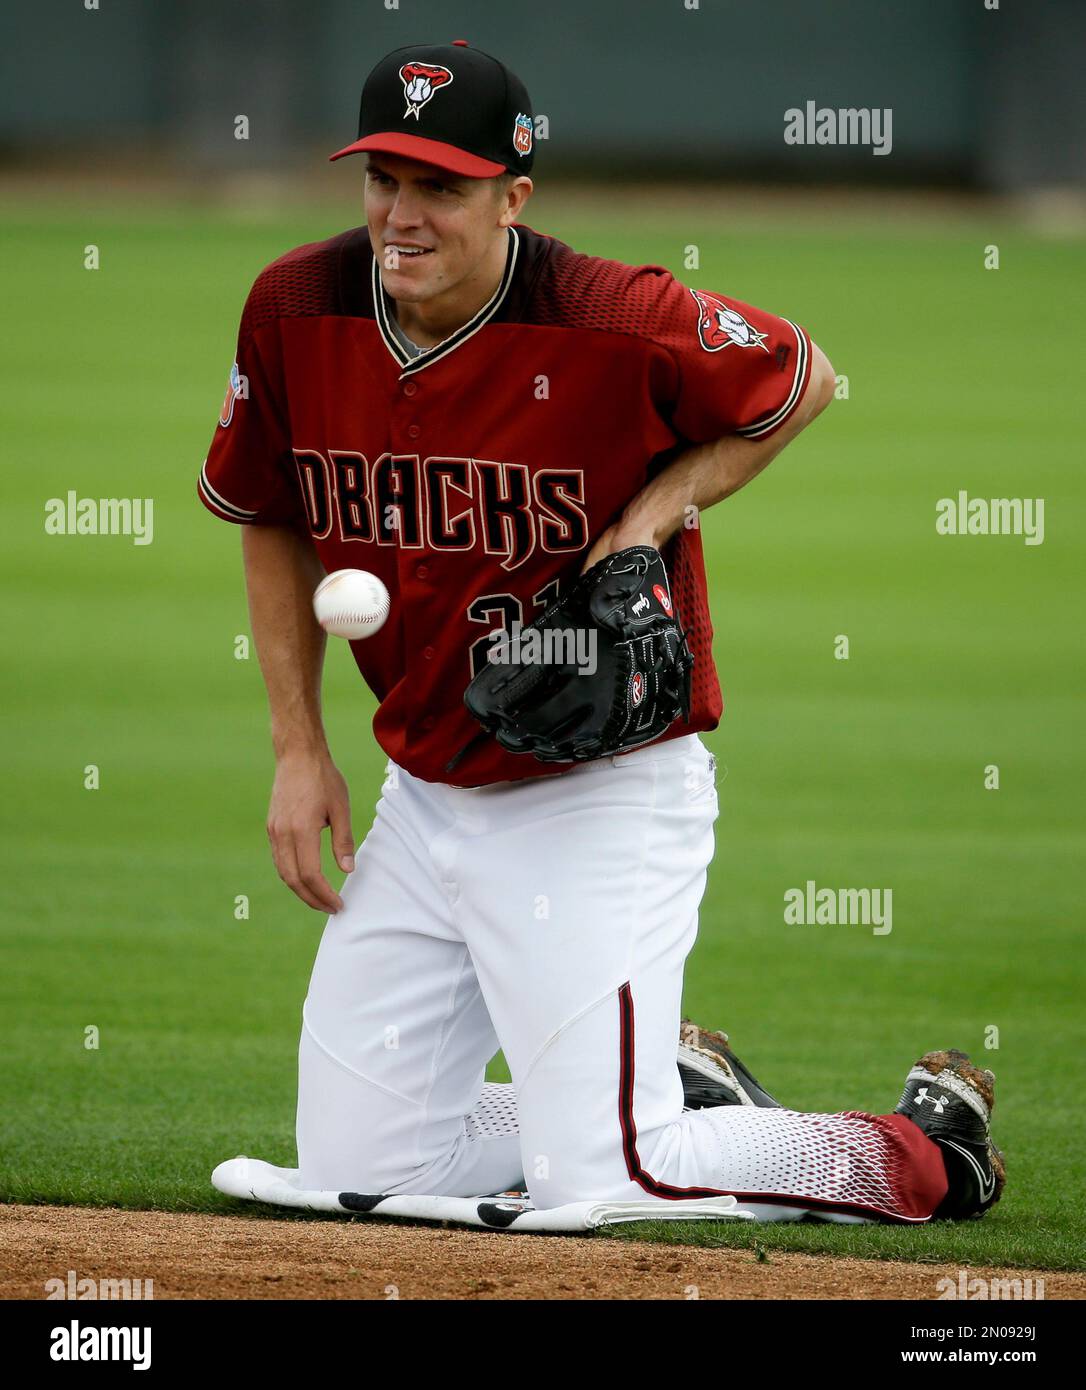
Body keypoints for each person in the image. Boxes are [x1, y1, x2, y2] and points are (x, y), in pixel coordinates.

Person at [199, 41, 1004, 1223]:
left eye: (442, 188)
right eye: (384, 179)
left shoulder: (608, 314)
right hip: (424, 798)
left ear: (513, 199)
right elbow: (267, 510)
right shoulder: (296, 307)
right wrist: (297, 742)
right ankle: (669, 1094)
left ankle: (929, 1147)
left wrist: (645, 520)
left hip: (600, 793)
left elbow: (806, 374)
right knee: (357, 1165)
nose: (401, 215)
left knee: (605, 1179)